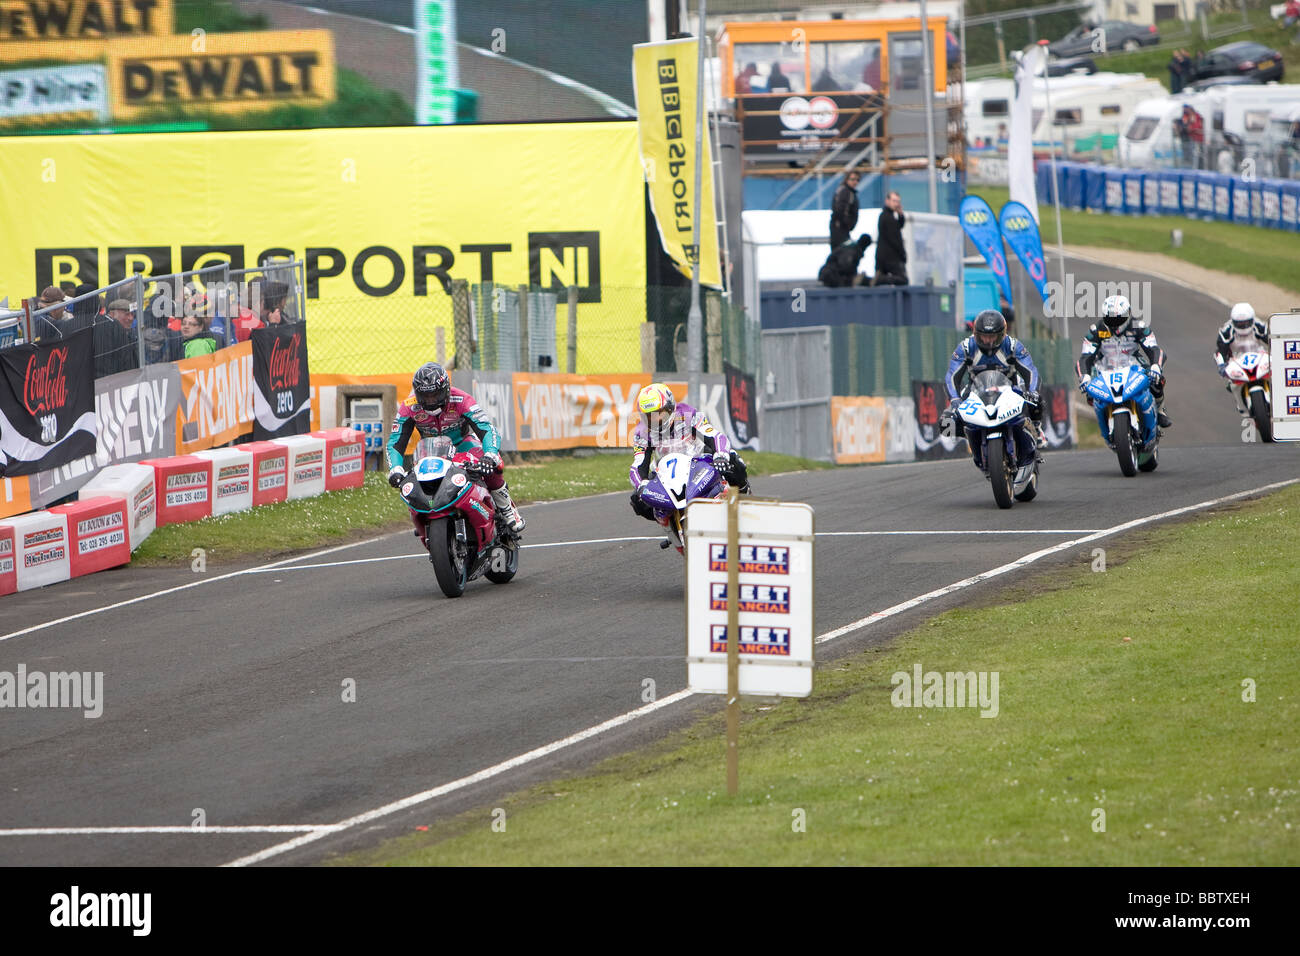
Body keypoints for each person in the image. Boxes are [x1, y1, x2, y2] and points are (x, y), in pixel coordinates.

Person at [386, 362, 525, 534]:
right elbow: (395, 442)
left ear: (445, 390)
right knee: (411, 481)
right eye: (425, 396)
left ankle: (506, 507)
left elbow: (487, 429)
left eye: (435, 395)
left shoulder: (461, 399)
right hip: (430, 452)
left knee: (493, 464)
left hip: (463, 446)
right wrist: (395, 469)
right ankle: (423, 517)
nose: (430, 401)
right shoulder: (409, 407)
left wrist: (489, 455)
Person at [628, 383, 750, 525]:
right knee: (637, 500)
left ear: (670, 407)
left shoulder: (688, 414)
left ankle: (744, 496)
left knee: (734, 461)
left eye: (659, 413)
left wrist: (721, 455)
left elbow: (716, 436)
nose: (655, 420)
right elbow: (638, 464)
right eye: (649, 416)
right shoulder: (641, 433)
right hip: (666, 472)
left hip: (699, 462)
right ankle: (668, 523)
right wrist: (641, 485)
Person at [942, 309, 1044, 468]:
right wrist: (955, 401)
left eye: (992, 336)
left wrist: (1033, 392)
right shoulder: (966, 348)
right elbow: (951, 376)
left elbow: (1031, 371)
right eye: (984, 336)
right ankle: (972, 436)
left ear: (1002, 334)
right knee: (946, 421)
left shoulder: (1013, 346)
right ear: (976, 334)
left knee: (1037, 401)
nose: (988, 341)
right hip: (977, 390)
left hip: (1010, 389)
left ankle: (1036, 428)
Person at [1076, 293, 1172, 430]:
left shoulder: (1139, 326)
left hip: (1134, 367)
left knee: (1156, 381)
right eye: (1110, 319)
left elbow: (1155, 350)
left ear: (1128, 314)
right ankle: (1105, 419)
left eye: (1118, 318)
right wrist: (1084, 377)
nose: (1115, 323)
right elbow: (1085, 357)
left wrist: (1156, 367)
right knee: (1090, 394)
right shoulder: (1096, 330)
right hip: (1104, 369)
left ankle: (1160, 410)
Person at [1214, 302, 1269, 377]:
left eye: (1246, 323)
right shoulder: (1226, 331)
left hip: (1260, 361)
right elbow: (1220, 351)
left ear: (1252, 320)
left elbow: (1274, 342)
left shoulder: (1259, 326)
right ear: (1233, 321)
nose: (1243, 326)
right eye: (1239, 324)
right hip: (1237, 364)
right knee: (1232, 385)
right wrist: (1222, 365)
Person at [93, 298, 140, 377]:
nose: (131, 318)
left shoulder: (131, 334)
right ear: (112, 314)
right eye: (127, 314)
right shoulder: (105, 335)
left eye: (132, 315)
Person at [873, 191, 908, 286]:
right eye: (894, 201)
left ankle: (879, 279)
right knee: (903, 280)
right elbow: (895, 238)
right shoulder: (886, 217)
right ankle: (879, 279)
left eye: (898, 201)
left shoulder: (890, 216)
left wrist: (900, 215)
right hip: (890, 257)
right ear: (887, 201)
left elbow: (899, 225)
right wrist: (903, 254)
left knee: (881, 285)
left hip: (883, 256)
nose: (896, 204)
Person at [830, 169, 861, 249]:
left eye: (857, 180)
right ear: (847, 179)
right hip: (840, 229)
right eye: (853, 179)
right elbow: (839, 210)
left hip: (842, 229)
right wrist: (847, 223)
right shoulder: (845, 192)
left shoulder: (848, 192)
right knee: (842, 254)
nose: (855, 182)